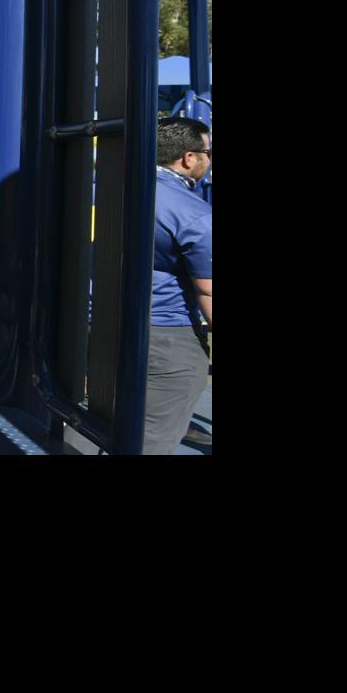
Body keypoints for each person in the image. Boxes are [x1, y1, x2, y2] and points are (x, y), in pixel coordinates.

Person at [144, 116, 211, 455]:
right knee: (152, 437)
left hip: (99, 323)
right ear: (188, 158)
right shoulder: (193, 213)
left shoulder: (116, 187)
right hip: (168, 334)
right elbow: (208, 290)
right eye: (208, 153)